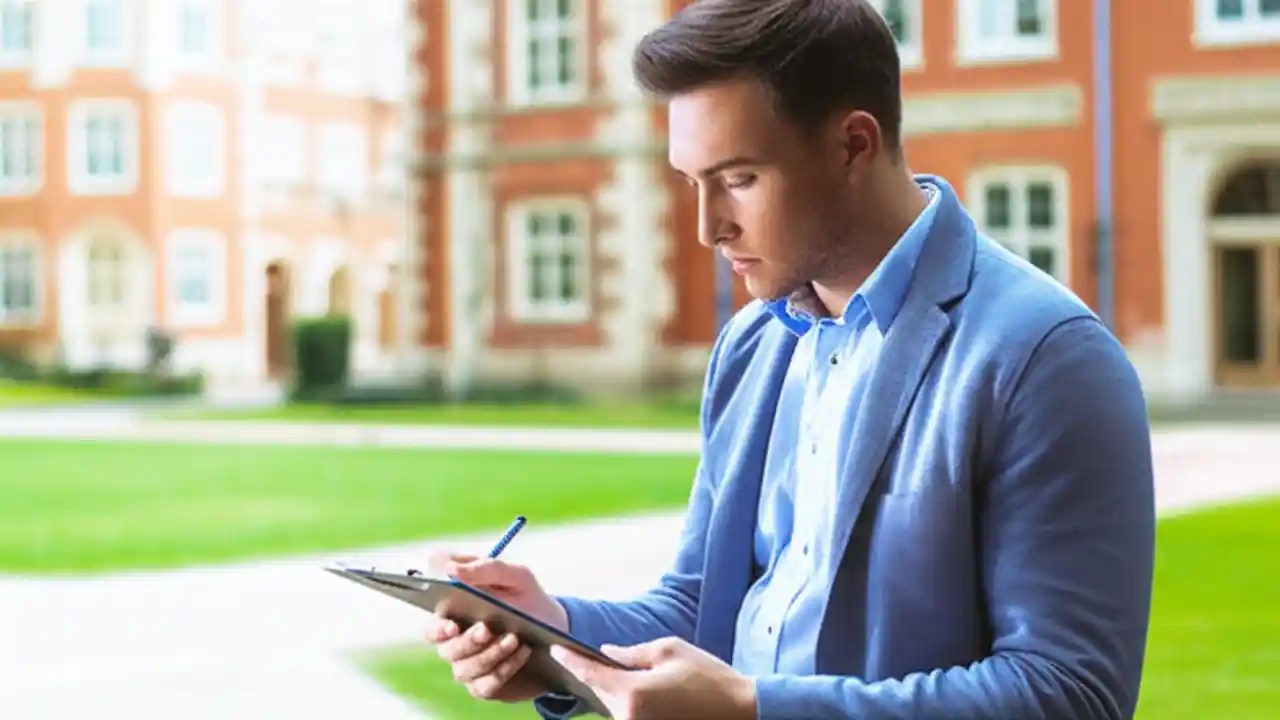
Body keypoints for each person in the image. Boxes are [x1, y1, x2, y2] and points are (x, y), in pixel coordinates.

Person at [423, 1, 1156, 718]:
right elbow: (703, 603)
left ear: (853, 147)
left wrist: (754, 708)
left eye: (738, 179)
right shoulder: (753, 345)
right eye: (692, 183)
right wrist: (552, 635)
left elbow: (1069, 694)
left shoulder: (1048, 361)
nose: (709, 226)